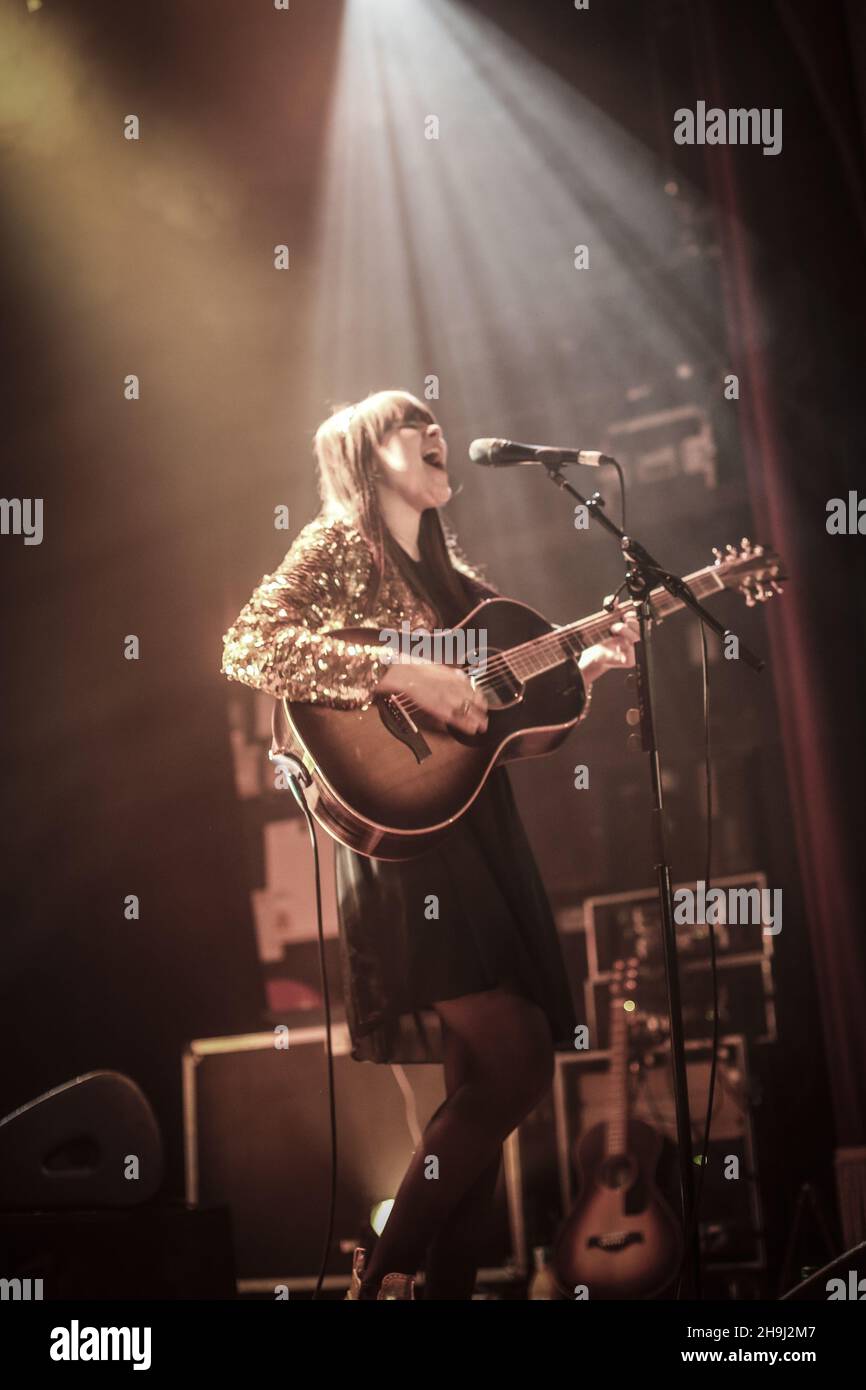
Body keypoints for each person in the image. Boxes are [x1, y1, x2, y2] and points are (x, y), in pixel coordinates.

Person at [221, 389, 638, 1299]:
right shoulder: (337, 542)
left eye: (432, 419)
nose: (433, 430)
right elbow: (251, 645)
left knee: (484, 1088)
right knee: (520, 1060)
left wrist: (593, 662)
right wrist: (395, 666)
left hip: (476, 834)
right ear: (370, 459)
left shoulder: (460, 584)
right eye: (412, 425)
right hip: (408, 844)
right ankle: (383, 1276)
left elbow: (507, 716)